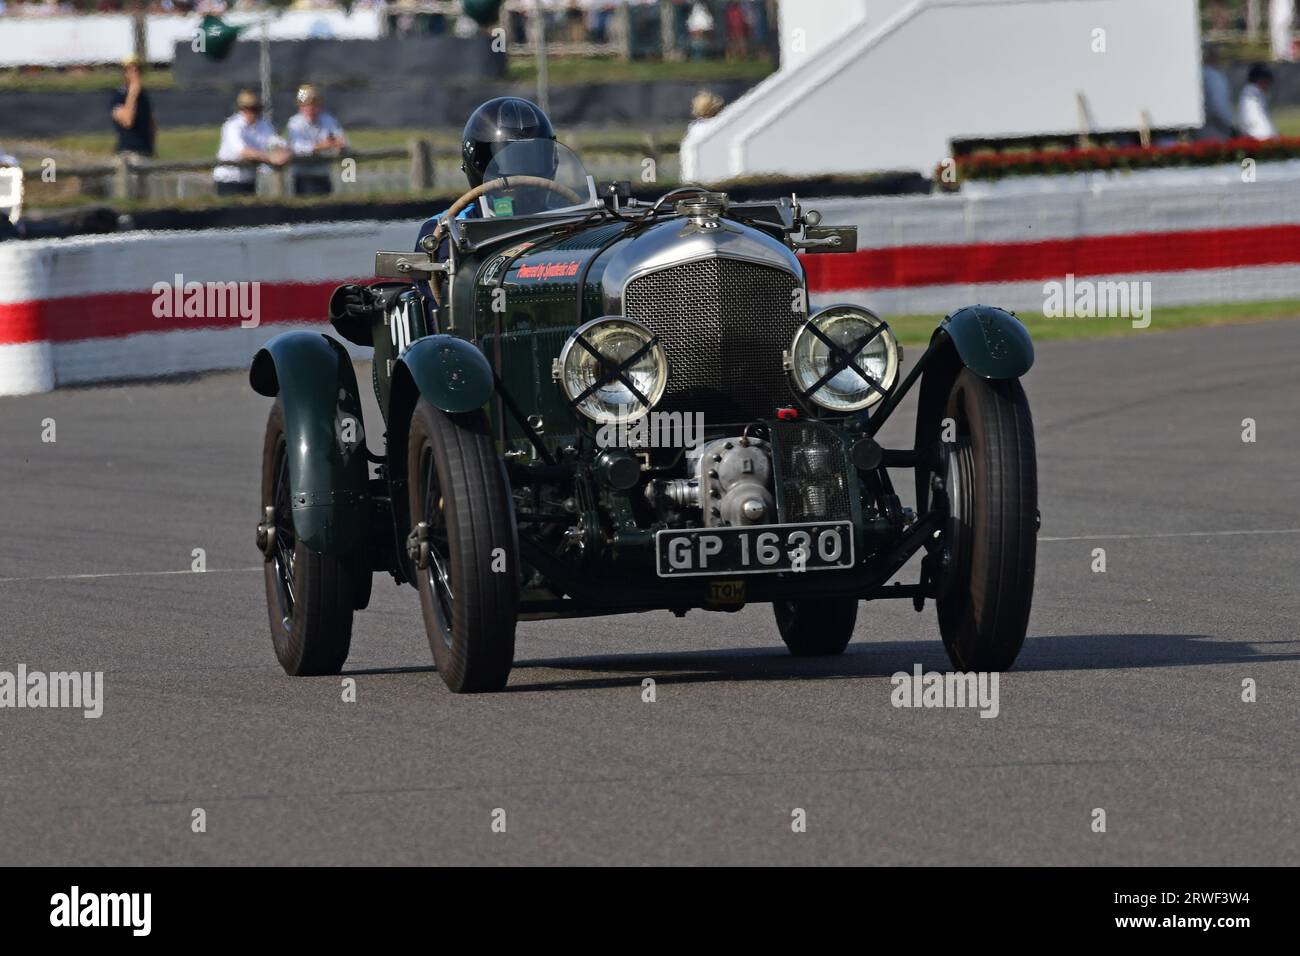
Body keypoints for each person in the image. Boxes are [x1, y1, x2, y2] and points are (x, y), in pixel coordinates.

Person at [213, 90, 290, 197]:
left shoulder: (264, 125)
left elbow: (275, 141)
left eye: (255, 109)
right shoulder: (232, 126)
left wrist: (282, 152)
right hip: (228, 180)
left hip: (249, 180)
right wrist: (270, 157)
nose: (251, 112)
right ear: (241, 109)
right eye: (247, 108)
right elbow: (243, 152)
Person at [284, 84, 347, 196]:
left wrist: (336, 144)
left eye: (314, 104)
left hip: (323, 174)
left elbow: (341, 140)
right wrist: (321, 146)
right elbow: (297, 147)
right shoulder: (295, 123)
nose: (310, 108)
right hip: (303, 176)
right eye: (306, 105)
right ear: (300, 107)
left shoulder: (327, 119)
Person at [110, 55, 157, 158]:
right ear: (125, 73)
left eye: (137, 70)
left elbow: (151, 123)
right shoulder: (119, 96)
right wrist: (132, 94)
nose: (135, 74)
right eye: (131, 70)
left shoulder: (143, 96)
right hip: (128, 152)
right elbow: (127, 121)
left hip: (145, 151)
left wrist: (153, 146)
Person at [1199, 45, 1236, 140]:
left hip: (1200, 131)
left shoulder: (1200, 74)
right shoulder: (1213, 77)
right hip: (1217, 131)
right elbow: (1218, 106)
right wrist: (1230, 126)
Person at [1238, 63, 1278, 140]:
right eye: (1267, 82)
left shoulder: (1255, 93)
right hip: (1259, 139)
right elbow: (1255, 124)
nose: (1268, 86)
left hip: (1260, 137)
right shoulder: (1251, 94)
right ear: (1261, 80)